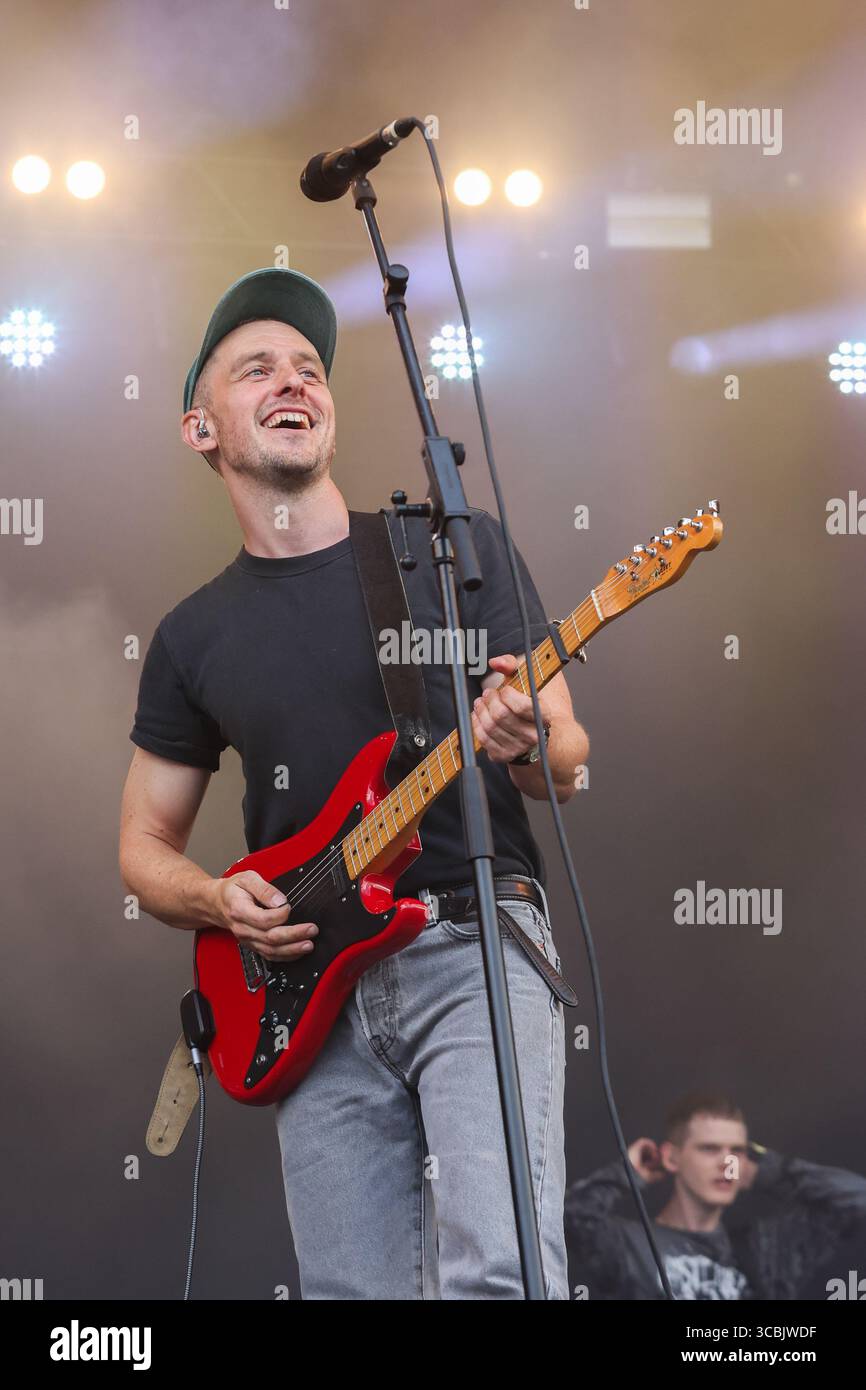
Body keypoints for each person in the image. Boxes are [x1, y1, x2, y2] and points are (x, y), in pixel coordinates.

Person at [119, 267, 591, 1300]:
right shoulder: (191, 636)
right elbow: (141, 852)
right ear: (200, 428)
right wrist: (214, 898)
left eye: (307, 369)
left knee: (499, 1274)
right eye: (257, 369)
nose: (294, 381)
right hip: (308, 994)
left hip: (470, 938)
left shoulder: (447, 549)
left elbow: (565, 759)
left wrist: (520, 737)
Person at [564, 1090, 866, 1299]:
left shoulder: (766, 1250)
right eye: (709, 1149)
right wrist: (624, 1173)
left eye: (737, 1151)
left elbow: (857, 1199)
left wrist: (766, 1169)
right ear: (672, 1159)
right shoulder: (630, 1245)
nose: (727, 1162)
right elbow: (563, 1222)